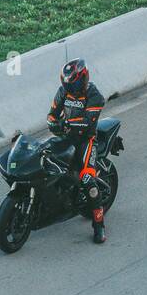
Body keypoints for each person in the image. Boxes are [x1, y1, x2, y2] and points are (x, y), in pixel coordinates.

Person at [47, 58, 108, 244]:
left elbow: (89, 122)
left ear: (83, 79)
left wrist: (65, 125)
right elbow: (51, 116)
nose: (69, 88)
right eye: (66, 84)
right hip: (66, 138)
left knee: (88, 180)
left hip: (86, 141)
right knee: (46, 161)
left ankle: (99, 225)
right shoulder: (63, 92)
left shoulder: (93, 94)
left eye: (73, 84)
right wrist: (55, 125)